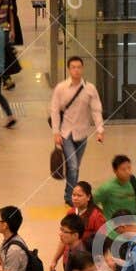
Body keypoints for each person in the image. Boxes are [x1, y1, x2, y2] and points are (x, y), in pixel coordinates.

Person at [49, 56, 105, 203]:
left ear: (83, 68)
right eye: (73, 67)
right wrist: (55, 132)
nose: (76, 70)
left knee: (75, 167)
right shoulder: (61, 88)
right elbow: (54, 111)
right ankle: (70, 197)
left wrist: (100, 129)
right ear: (69, 69)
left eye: (79, 67)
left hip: (82, 133)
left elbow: (96, 110)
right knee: (73, 166)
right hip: (65, 133)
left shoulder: (89, 88)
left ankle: (71, 192)